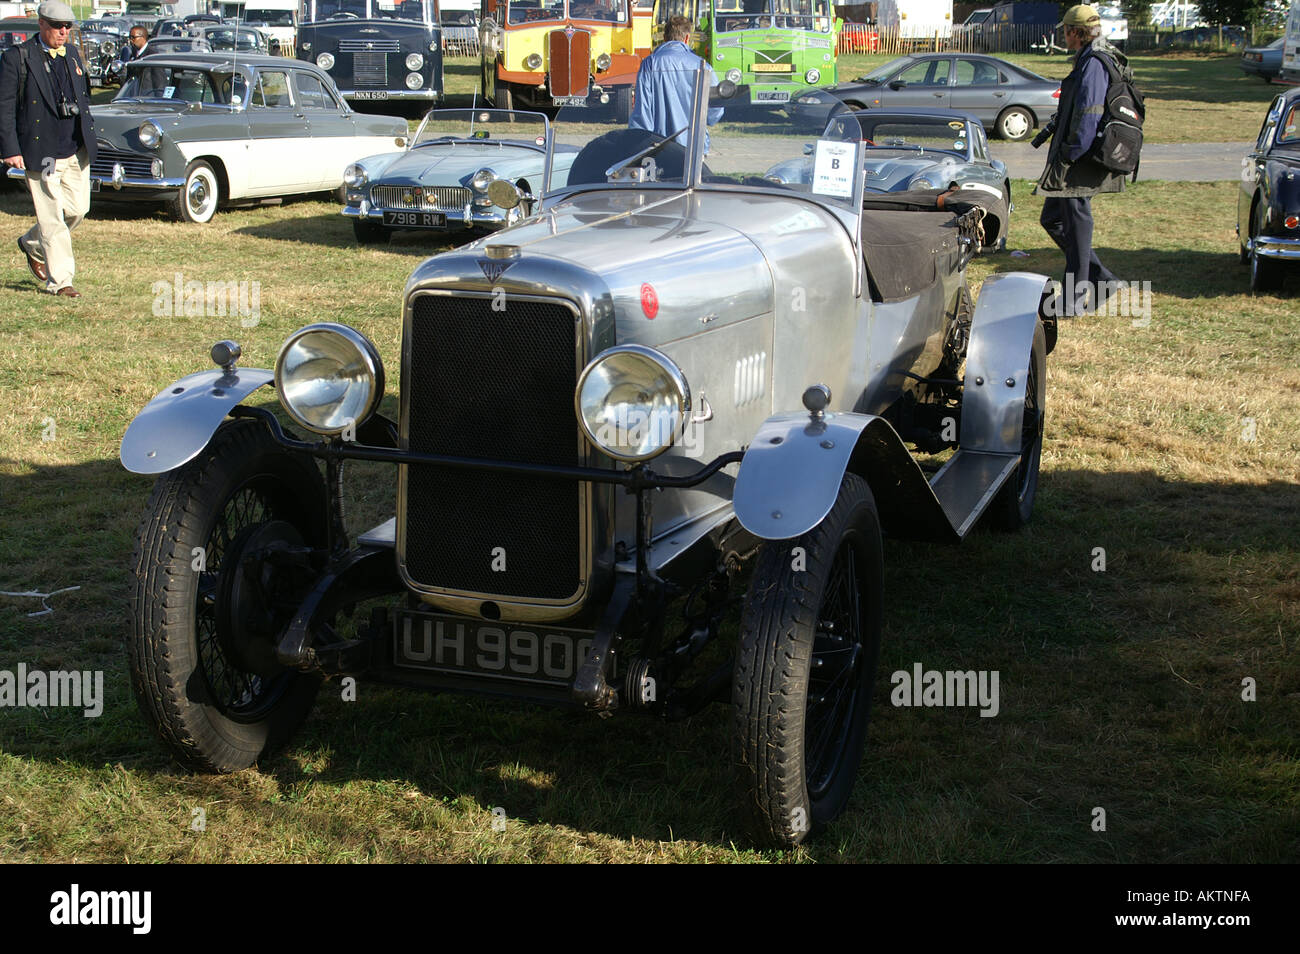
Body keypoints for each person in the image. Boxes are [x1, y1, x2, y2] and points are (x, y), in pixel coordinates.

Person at [0, 0, 98, 298]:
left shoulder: (71, 53)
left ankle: (31, 243)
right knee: (52, 217)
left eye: (68, 26)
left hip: (73, 147)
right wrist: (9, 148)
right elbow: (3, 108)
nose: (64, 31)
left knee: (78, 210)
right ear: (41, 23)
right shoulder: (17, 57)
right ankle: (61, 281)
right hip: (40, 149)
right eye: (57, 26)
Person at [1034, 4, 1127, 316]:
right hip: (1074, 155)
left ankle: (1072, 303)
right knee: (1053, 219)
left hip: (1081, 159)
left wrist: (1071, 154)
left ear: (1075, 32)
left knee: (1076, 227)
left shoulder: (1094, 64)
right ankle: (1103, 279)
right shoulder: (1088, 58)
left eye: (1066, 30)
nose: (1064, 35)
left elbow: (1089, 114)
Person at [628, 15, 721, 150]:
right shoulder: (702, 66)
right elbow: (714, 110)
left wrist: (639, 142)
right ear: (687, 38)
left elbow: (643, 109)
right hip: (694, 145)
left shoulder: (650, 63)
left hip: (658, 145)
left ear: (664, 38)